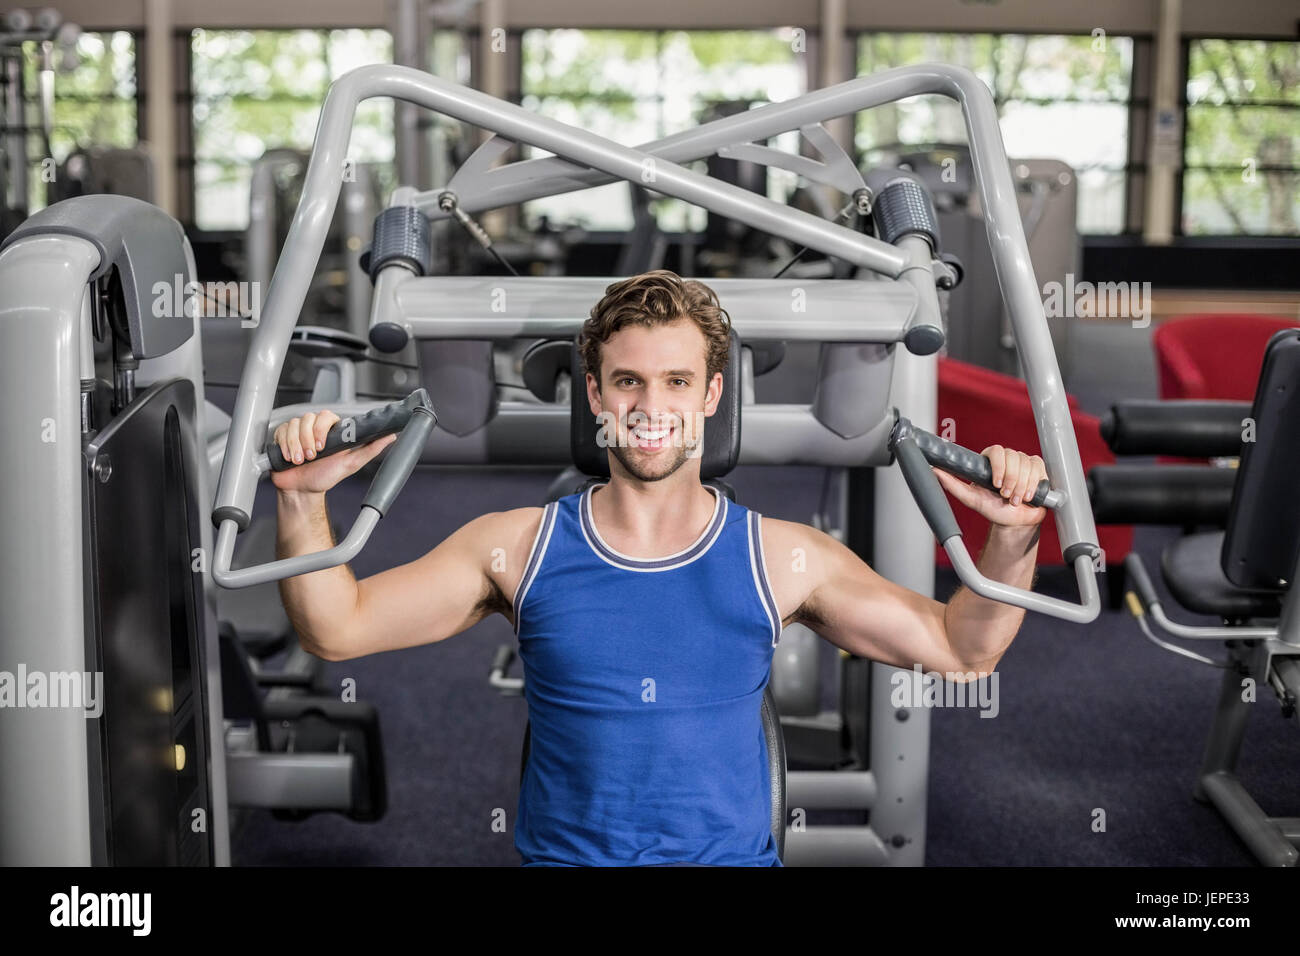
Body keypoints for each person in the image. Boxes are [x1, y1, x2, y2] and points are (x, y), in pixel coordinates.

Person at [271, 269, 1048, 867]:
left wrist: (1011, 540)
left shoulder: (783, 556)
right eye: (628, 381)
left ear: (712, 394)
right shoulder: (514, 546)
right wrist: (304, 504)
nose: (651, 406)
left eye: (677, 381)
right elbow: (337, 630)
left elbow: (963, 648)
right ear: (596, 394)